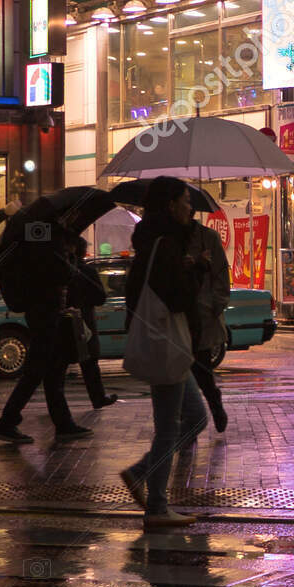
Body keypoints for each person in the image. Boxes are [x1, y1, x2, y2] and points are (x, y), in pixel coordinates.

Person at [119, 176, 211, 528]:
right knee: (168, 428)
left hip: (170, 345)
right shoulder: (165, 243)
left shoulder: (155, 243)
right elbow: (178, 297)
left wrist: (187, 265)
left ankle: (142, 473)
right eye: (186, 200)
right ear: (171, 205)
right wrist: (197, 269)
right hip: (167, 343)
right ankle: (156, 506)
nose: (191, 207)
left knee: (195, 418)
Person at [0, 205, 95, 443]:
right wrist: (70, 257)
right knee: (38, 368)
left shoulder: (42, 235)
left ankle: (62, 422)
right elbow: (59, 271)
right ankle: (7, 421)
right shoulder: (45, 237)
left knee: (53, 367)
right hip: (44, 308)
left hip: (45, 308)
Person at [63, 233, 118, 408]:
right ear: (84, 251)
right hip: (85, 320)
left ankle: (56, 402)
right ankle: (98, 398)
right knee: (90, 363)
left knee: (60, 364)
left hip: (64, 320)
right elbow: (100, 297)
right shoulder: (88, 271)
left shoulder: (62, 270)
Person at [189, 215, 232, 433]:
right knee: (181, 371)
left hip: (202, 315)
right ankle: (189, 421)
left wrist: (216, 304)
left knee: (202, 368)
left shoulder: (208, 237)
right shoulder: (167, 239)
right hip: (178, 314)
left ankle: (214, 402)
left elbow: (222, 274)